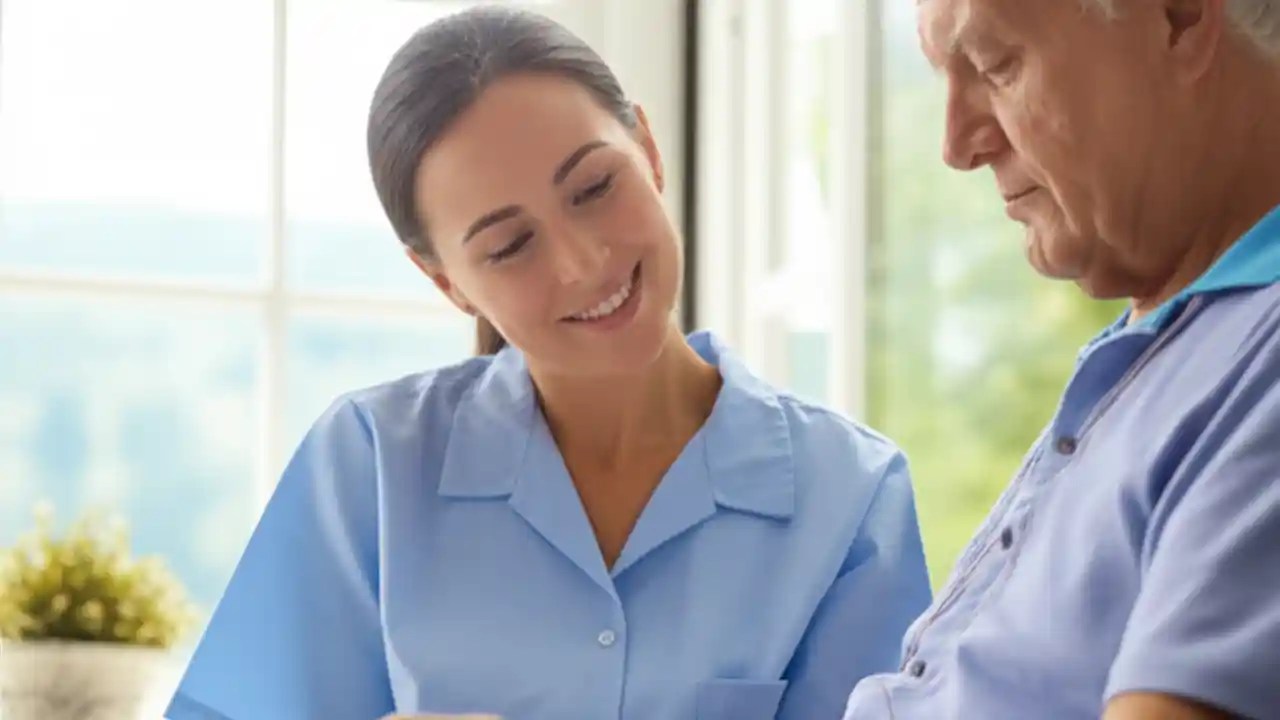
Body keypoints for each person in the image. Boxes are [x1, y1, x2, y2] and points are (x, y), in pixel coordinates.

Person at [163, 7, 931, 720]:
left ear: (650, 151)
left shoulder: (851, 497)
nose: (583, 261)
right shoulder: (368, 467)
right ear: (447, 283)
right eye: (510, 246)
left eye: (595, 187)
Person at [842, 0, 1280, 718]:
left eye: (995, 65)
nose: (956, 144)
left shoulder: (1259, 364)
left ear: (1178, 17)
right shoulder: (1163, 347)